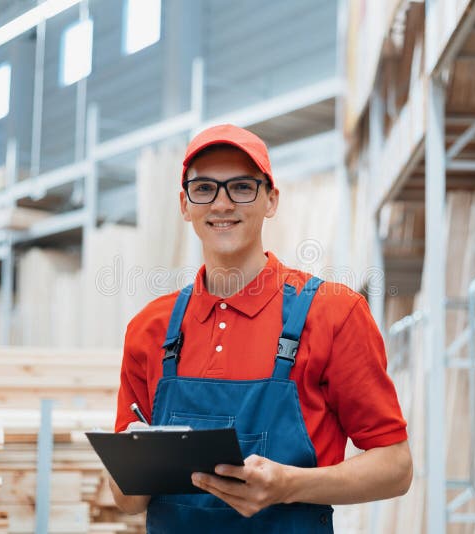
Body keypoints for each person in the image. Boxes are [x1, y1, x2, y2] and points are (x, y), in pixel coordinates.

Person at [110, 124, 412, 532]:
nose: (221, 204)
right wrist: (130, 460)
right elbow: (128, 501)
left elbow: (395, 467)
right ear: (185, 204)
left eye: (241, 187)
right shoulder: (150, 328)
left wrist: (290, 485)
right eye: (204, 189)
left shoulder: (334, 314)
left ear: (271, 200)